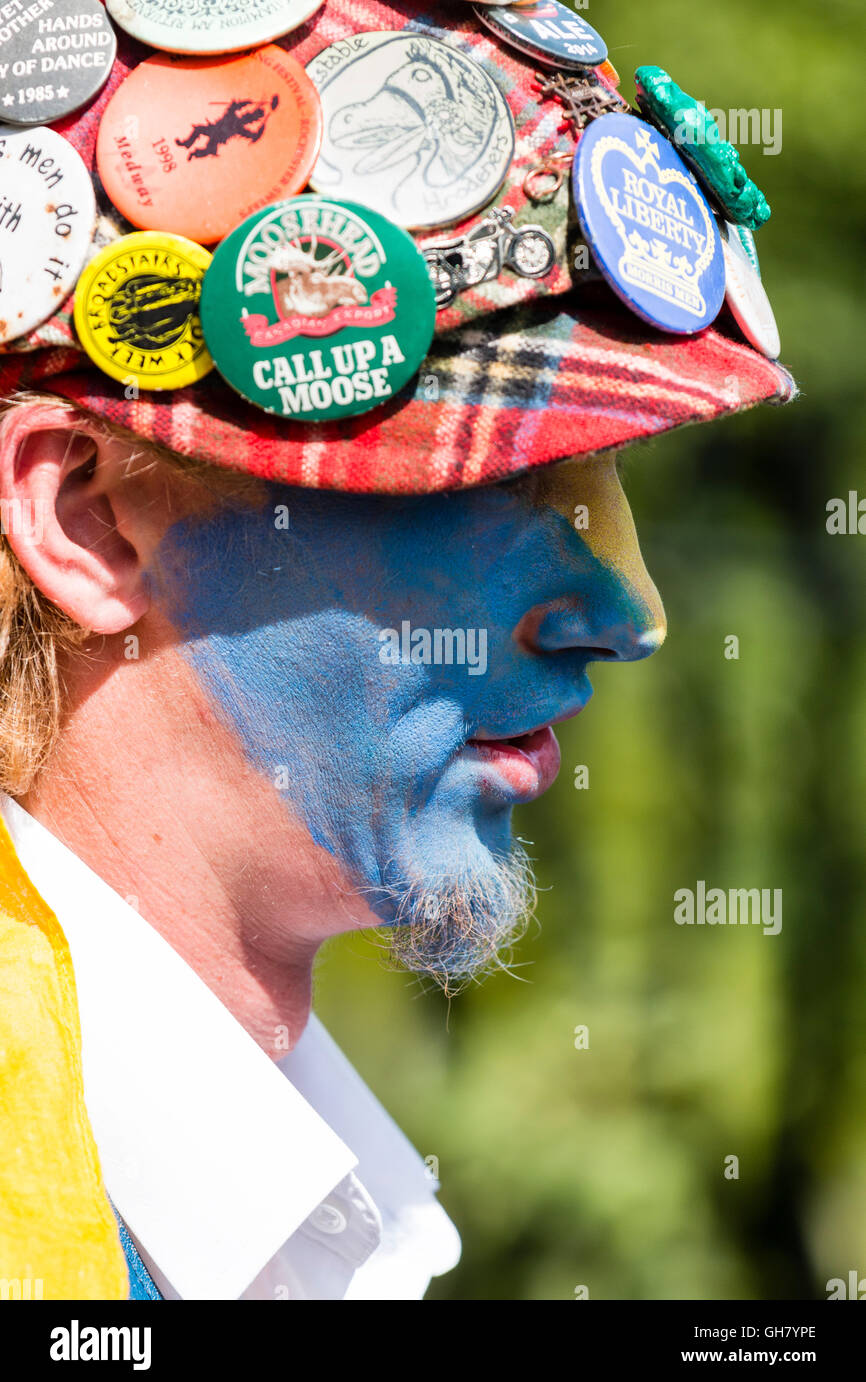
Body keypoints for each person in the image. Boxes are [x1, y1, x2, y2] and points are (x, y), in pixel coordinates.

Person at [0, 0, 795, 1301]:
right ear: (90, 524)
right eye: (497, 486)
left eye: (605, 487)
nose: (626, 613)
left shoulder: (307, 1214)